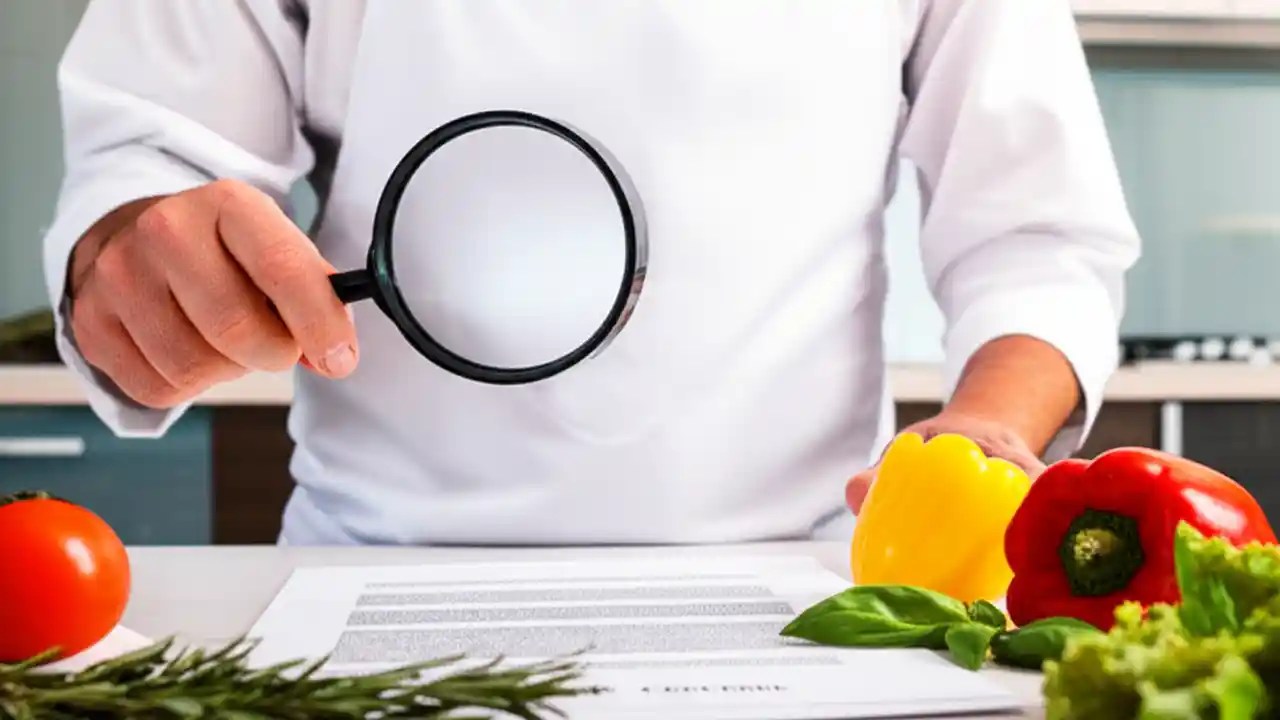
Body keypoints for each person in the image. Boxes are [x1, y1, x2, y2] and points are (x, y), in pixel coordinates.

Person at [43, 1, 1139, 546]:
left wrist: (990, 422)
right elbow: (144, 169)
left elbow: (1037, 235)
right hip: (371, 585)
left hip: (799, 598)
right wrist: (135, 260)